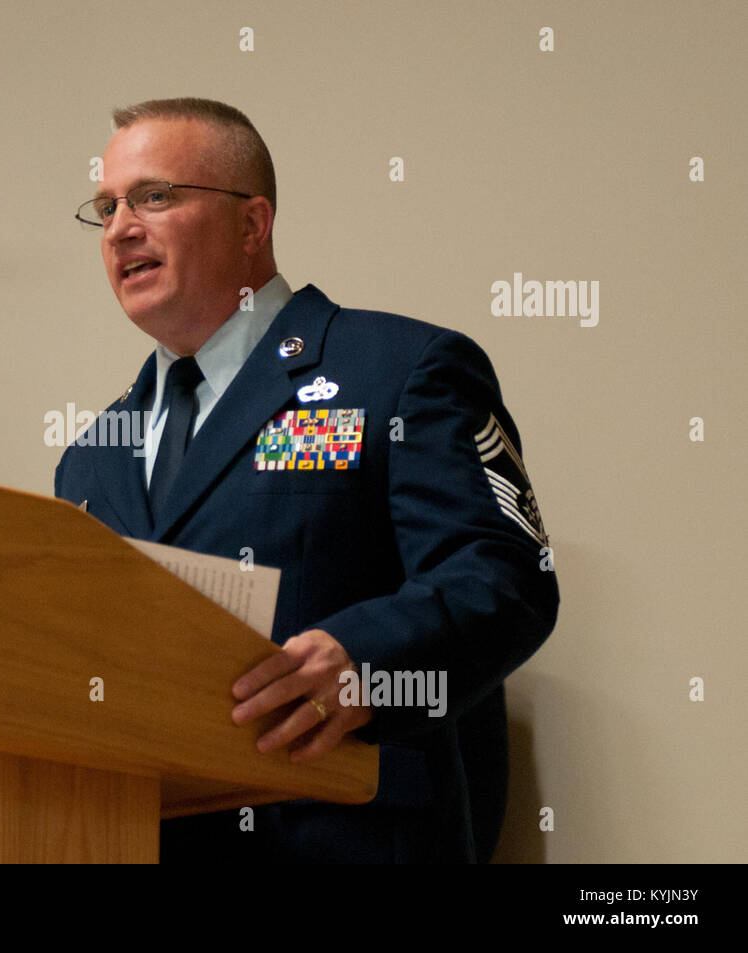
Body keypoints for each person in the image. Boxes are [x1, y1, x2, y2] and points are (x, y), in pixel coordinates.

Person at [53, 98, 559, 863]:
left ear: (252, 223)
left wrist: (365, 661)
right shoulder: (90, 457)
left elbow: (506, 576)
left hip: (343, 833)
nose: (121, 227)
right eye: (107, 206)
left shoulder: (399, 370)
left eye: (154, 196)